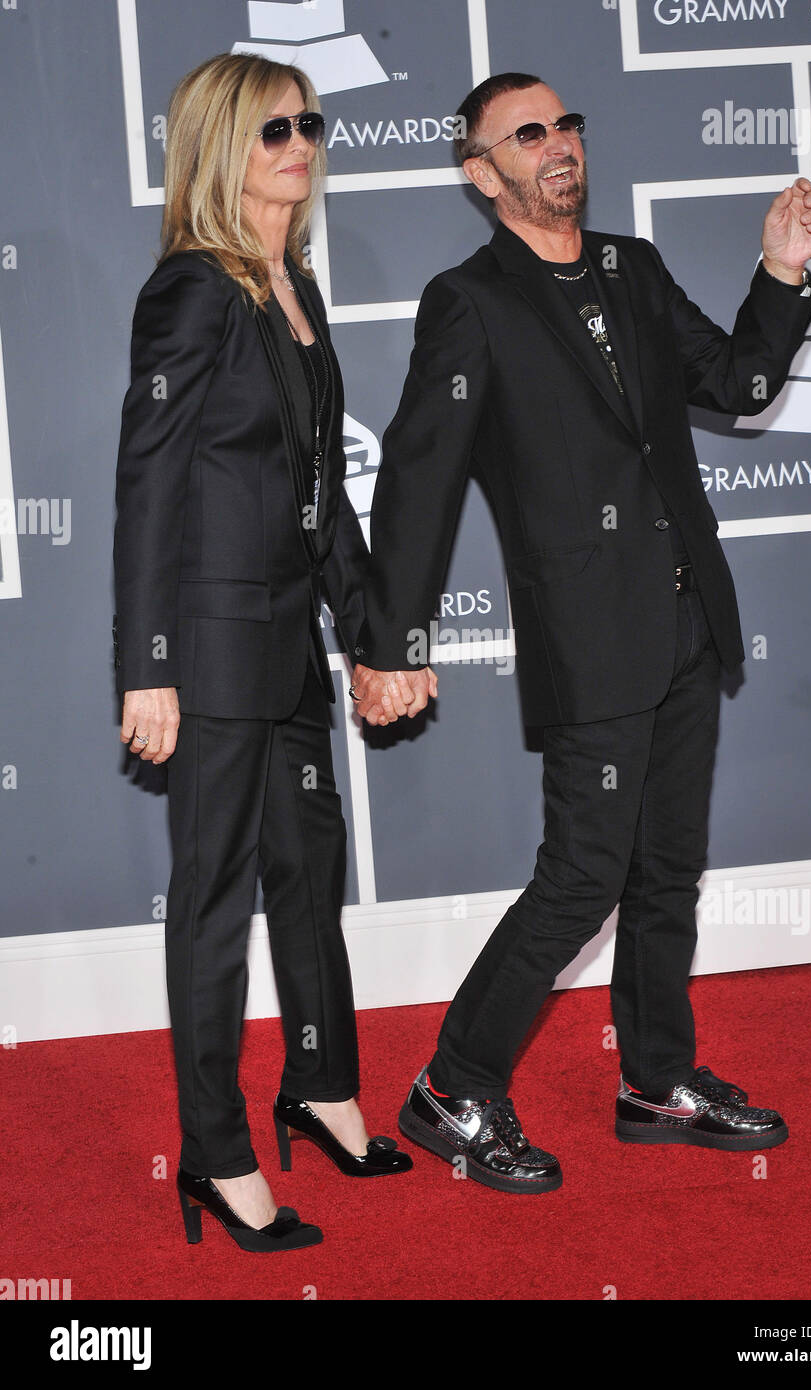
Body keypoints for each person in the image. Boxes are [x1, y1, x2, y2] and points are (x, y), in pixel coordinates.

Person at [350, 73, 811, 1193]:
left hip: (682, 620)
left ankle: (655, 1078)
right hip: (590, 636)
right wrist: (390, 640)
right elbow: (418, 485)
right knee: (581, 877)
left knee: (667, 870)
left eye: (566, 124)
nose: (558, 143)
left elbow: (740, 382)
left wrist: (780, 269)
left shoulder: (632, 264)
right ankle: (451, 1086)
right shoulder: (469, 302)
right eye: (529, 134)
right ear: (483, 174)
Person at [113, 53, 412, 1253]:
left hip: (289, 654)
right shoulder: (192, 291)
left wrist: (373, 634)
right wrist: (148, 662)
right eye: (272, 127)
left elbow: (321, 494)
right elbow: (147, 488)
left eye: (309, 122)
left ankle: (322, 1084)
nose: (300, 142)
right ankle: (216, 1153)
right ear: (220, 148)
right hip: (213, 654)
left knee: (309, 878)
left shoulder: (297, 288)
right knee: (214, 904)